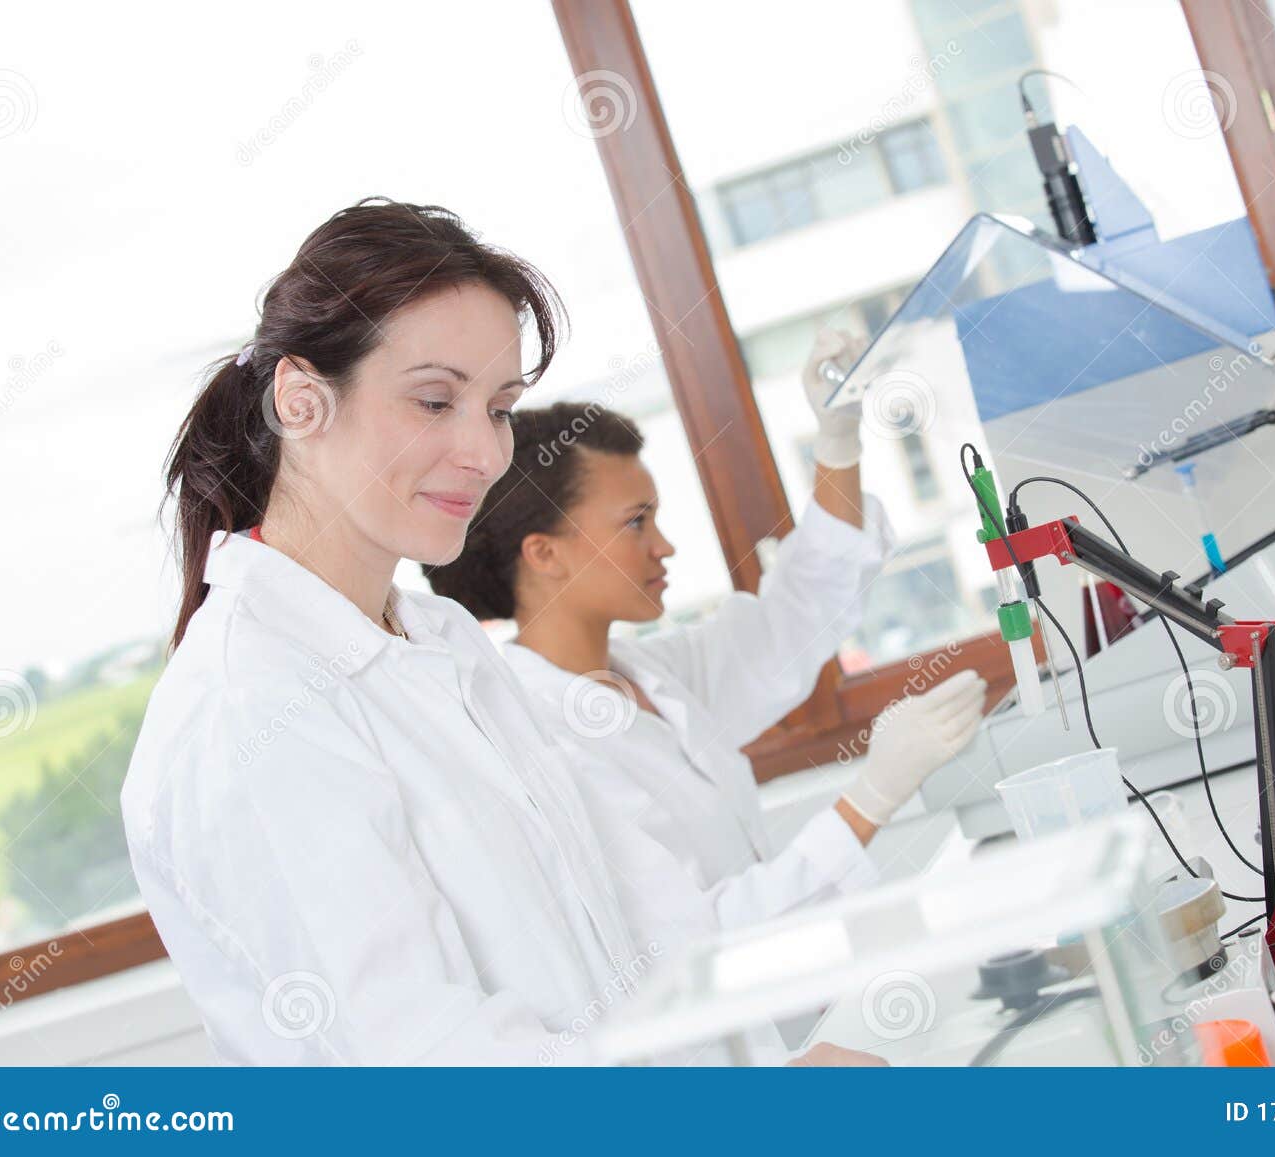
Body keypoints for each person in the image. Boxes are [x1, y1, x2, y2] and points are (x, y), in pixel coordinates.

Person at [121, 197, 870, 1066]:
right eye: (435, 401)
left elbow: (640, 920)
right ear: (302, 401)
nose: (483, 452)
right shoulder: (251, 708)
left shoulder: (440, 638)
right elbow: (433, 1064)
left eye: (500, 406)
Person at [422, 351, 987, 966]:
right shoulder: (542, 741)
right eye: (636, 523)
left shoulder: (655, 674)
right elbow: (696, 933)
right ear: (545, 555)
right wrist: (874, 795)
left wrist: (838, 439)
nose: (664, 546)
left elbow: (800, 611)